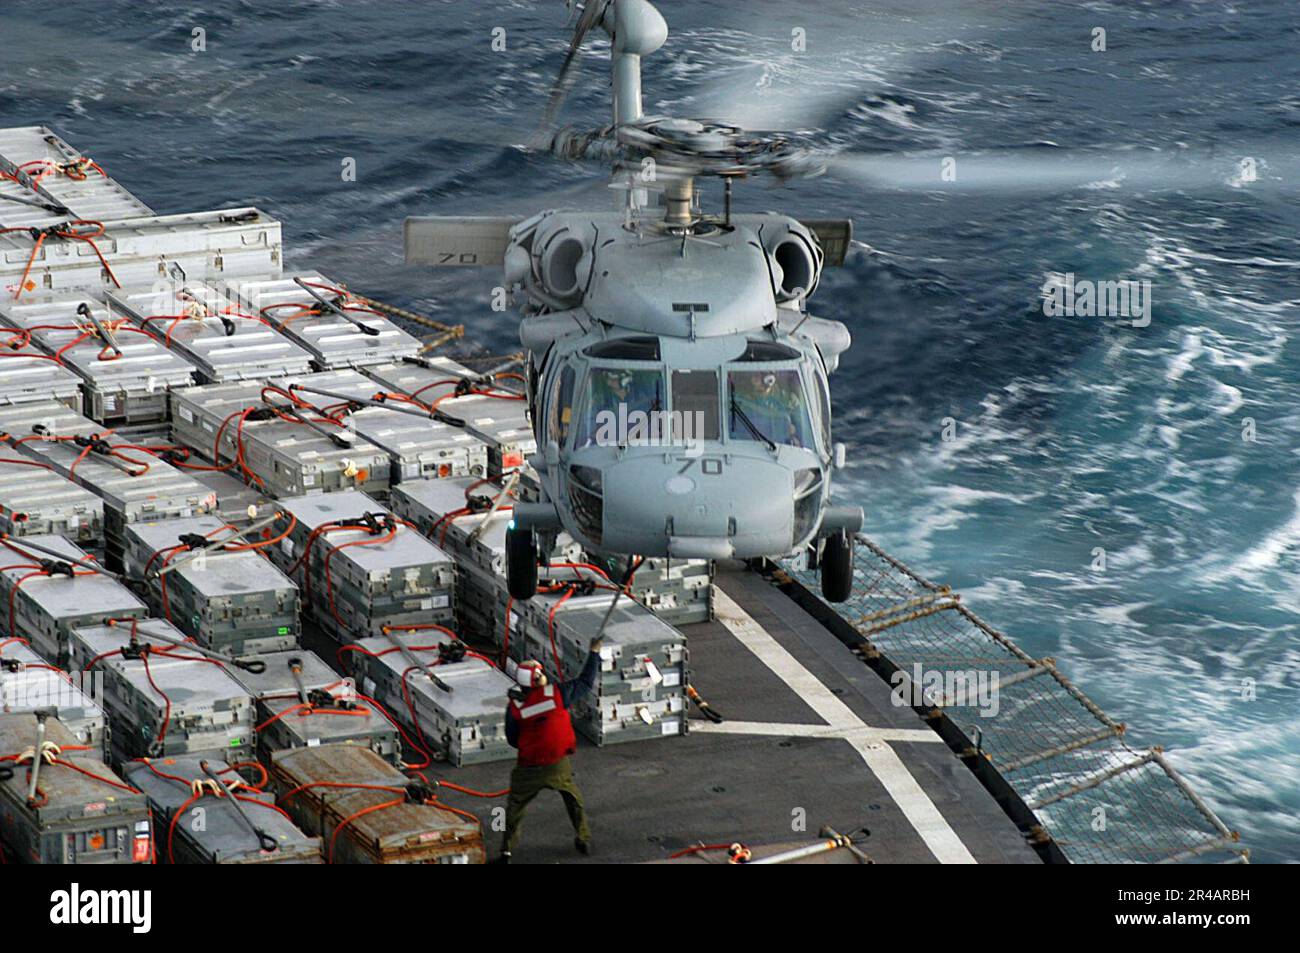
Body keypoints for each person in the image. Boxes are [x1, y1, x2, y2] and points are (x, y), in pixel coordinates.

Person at [496, 637, 603, 863]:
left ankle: (506, 851)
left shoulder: (515, 707)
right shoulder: (557, 694)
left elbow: (512, 738)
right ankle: (583, 838)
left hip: (528, 767)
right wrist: (594, 653)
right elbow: (585, 682)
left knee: (515, 807)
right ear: (537, 679)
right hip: (556, 763)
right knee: (573, 798)